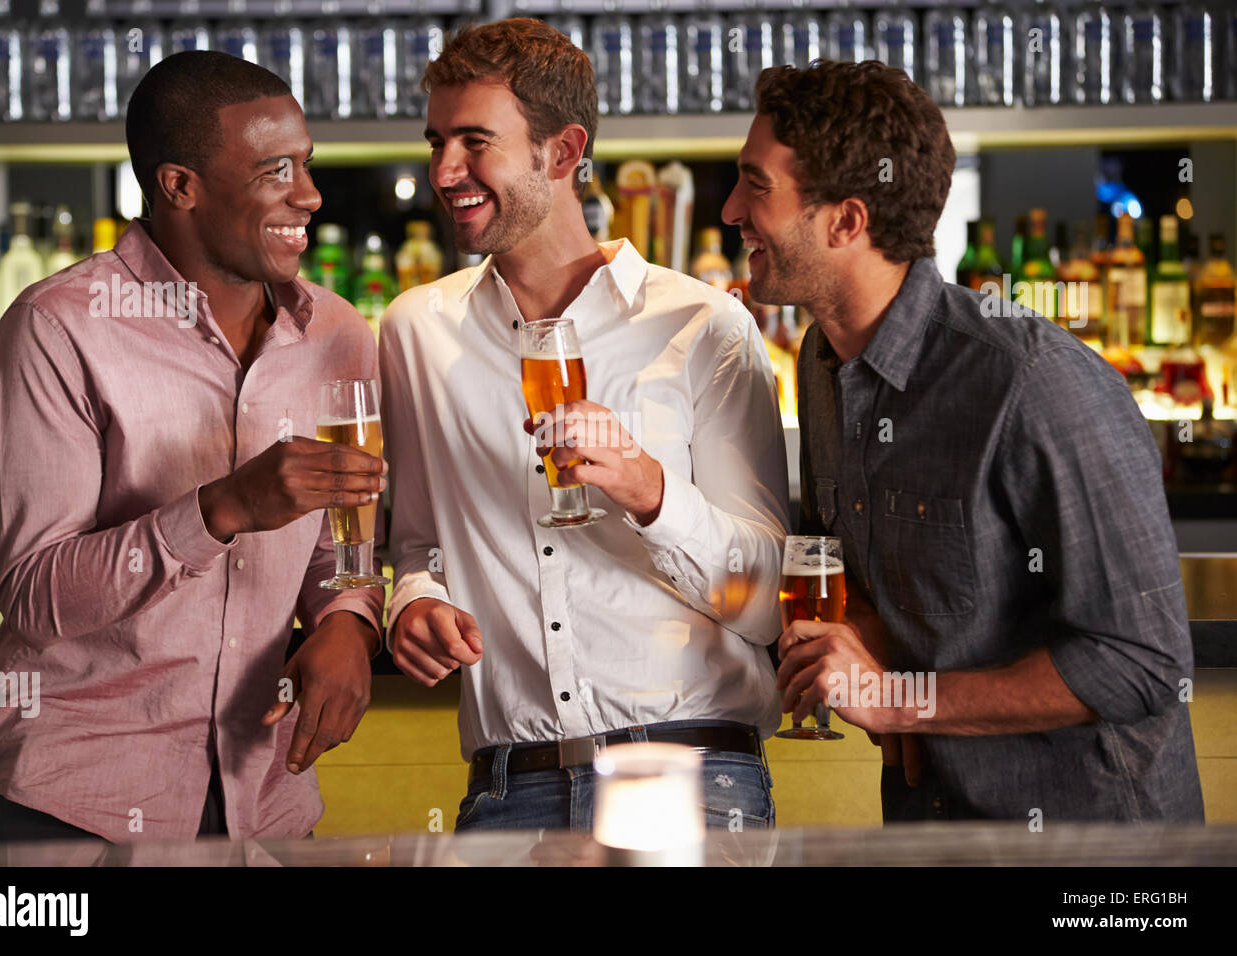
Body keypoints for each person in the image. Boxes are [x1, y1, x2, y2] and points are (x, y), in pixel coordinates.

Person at [723, 59, 1204, 821]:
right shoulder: (822, 366)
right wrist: (864, 637)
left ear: (846, 221)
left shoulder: (1034, 381)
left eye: (756, 186)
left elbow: (1141, 662)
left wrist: (897, 700)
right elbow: (865, 580)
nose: (729, 211)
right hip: (931, 826)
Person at [0, 51, 388, 843]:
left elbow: (341, 548)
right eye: (275, 170)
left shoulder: (338, 334)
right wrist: (223, 507)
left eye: (309, 165)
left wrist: (347, 624)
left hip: (263, 799)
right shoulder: (57, 328)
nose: (310, 195)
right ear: (179, 186)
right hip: (71, 806)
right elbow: (36, 596)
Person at [378, 19, 789, 831]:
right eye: (435, 143)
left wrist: (651, 492)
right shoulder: (415, 329)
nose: (444, 171)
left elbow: (765, 599)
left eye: (473, 142)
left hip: (690, 774)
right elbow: (417, 545)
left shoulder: (704, 323)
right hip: (507, 786)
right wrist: (413, 602)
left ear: (562, 152)